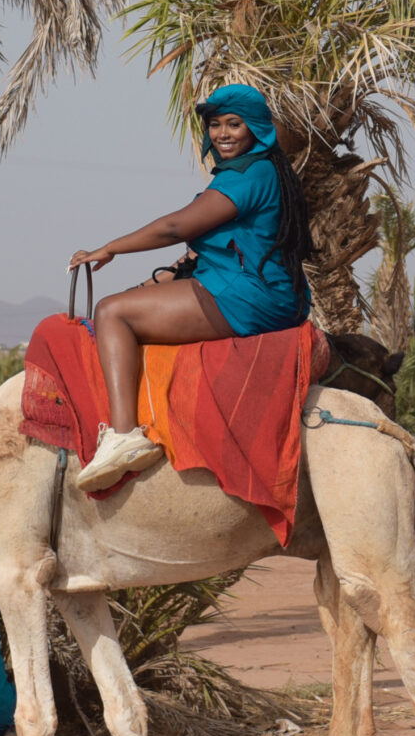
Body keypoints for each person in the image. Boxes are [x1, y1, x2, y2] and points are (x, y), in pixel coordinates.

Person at [66, 84, 314, 488]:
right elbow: (213, 248)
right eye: (215, 125)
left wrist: (109, 249)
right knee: (134, 299)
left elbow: (177, 227)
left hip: (247, 295)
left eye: (235, 124)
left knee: (113, 312)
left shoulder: (248, 174)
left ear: (256, 129)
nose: (223, 134)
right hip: (262, 289)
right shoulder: (262, 170)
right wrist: (155, 280)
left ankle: (124, 436)